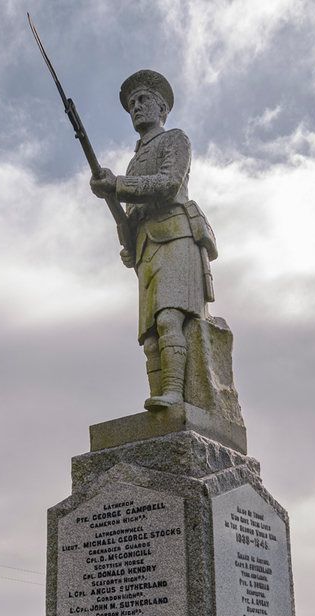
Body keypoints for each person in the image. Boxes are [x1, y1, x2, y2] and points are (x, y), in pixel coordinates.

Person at [90, 70, 217, 410]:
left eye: (143, 99)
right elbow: (133, 213)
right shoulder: (133, 162)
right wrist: (129, 243)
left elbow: (168, 184)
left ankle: (175, 394)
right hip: (147, 247)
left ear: (162, 108)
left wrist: (117, 185)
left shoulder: (176, 139)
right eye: (132, 103)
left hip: (176, 234)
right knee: (150, 339)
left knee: (169, 320)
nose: (136, 107)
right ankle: (160, 399)